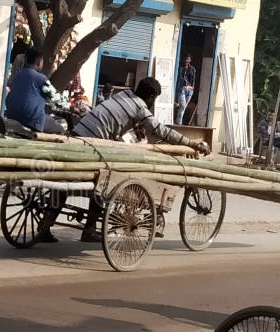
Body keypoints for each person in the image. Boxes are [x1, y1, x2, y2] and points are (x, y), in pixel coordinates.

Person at [69, 77, 210, 241]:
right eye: (154, 99)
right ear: (151, 97)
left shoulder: (122, 95)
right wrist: (191, 143)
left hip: (76, 134)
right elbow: (160, 130)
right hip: (93, 144)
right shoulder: (139, 107)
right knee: (106, 181)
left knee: (70, 178)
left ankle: (45, 227)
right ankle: (90, 229)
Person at [5, 48, 69, 134]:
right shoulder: (40, 78)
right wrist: (68, 105)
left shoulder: (18, 75)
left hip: (12, 115)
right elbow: (56, 98)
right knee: (60, 128)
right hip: (32, 120)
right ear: (39, 62)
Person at [174, 54, 196, 125]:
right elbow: (179, 80)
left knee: (183, 107)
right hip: (182, 89)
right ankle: (179, 121)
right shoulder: (180, 68)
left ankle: (178, 121)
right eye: (186, 59)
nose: (187, 60)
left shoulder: (192, 69)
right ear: (184, 60)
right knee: (183, 105)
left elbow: (193, 79)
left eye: (188, 59)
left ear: (190, 60)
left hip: (189, 90)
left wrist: (192, 87)